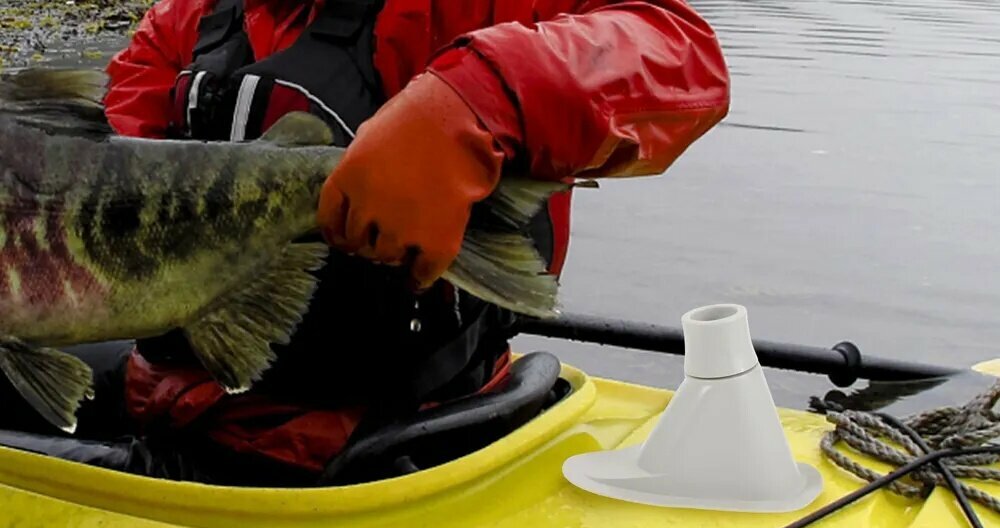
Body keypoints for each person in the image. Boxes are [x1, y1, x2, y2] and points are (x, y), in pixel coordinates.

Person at [0, 0, 730, 485]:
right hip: (177, 393)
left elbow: (684, 59)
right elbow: (106, 154)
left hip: (375, 445)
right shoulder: (188, 22)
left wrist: (481, 98)